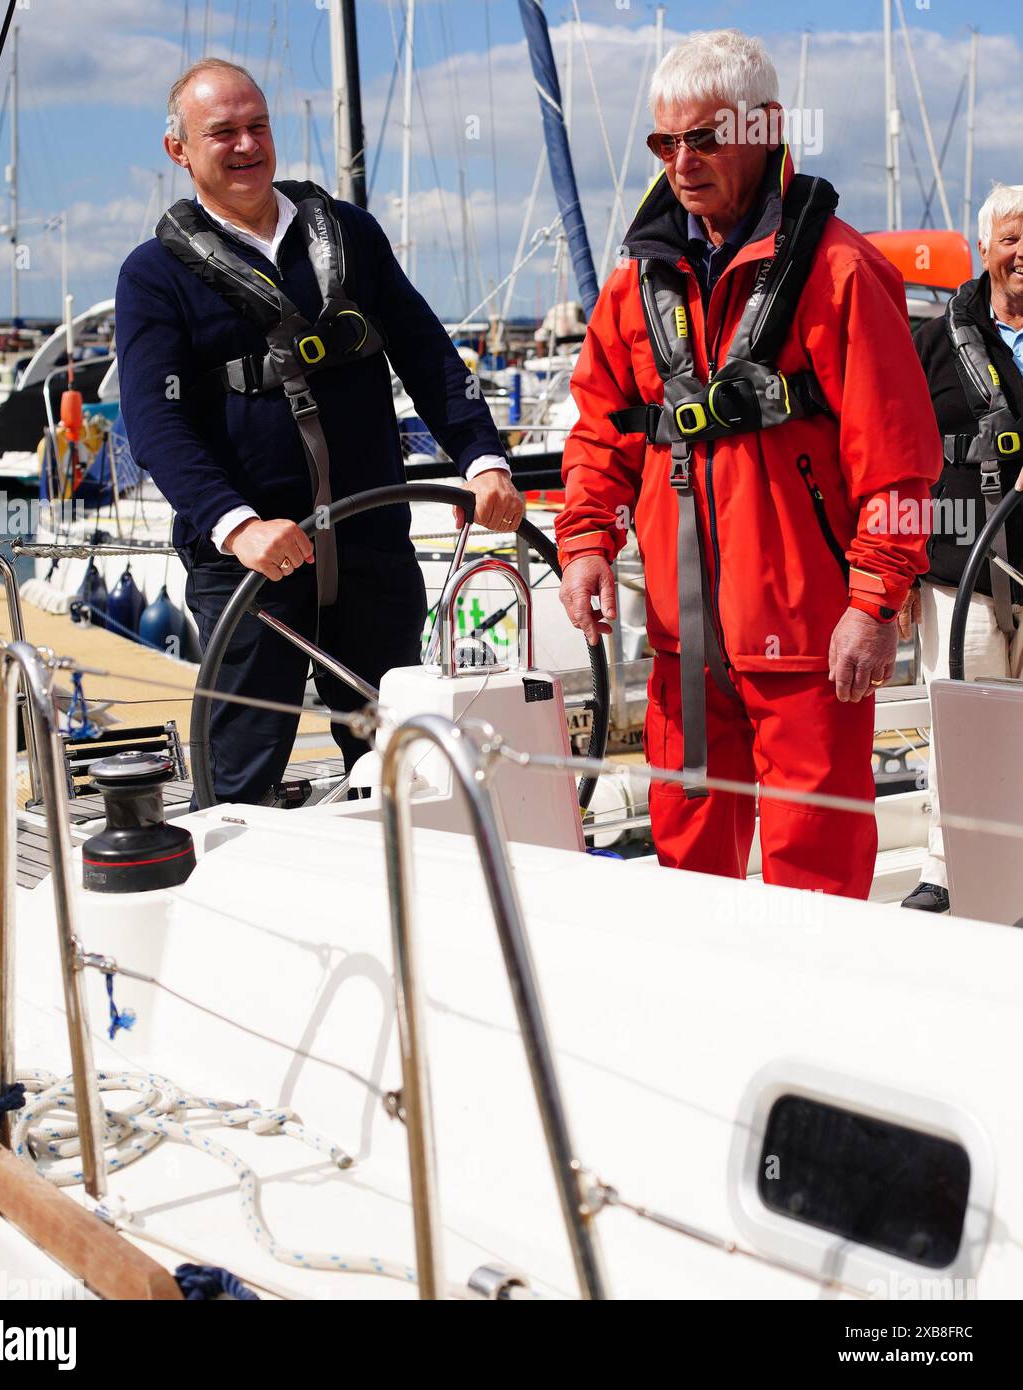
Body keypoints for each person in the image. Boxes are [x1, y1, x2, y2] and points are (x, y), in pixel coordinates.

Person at [555, 29, 940, 897]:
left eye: (704, 138)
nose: (683, 162)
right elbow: (601, 432)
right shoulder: (636, 286)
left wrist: (875, 603)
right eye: (666, 142)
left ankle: (818, 1033)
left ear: (765, 128)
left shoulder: (841, 271)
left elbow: (900, 463)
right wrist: (582, 544)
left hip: (809, 644)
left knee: (818, 880)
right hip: (680, 648)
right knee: (688, 872)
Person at [115, 58, 523, 804]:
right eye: (223, 132)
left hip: (371, 542)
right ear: (179, 151)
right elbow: (154, 420)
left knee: (396, 760)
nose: (247, 146)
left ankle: (405, 903)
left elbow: (426, 352)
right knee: (241, 771)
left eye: (257, 126)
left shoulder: (350, 237)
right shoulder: (155, 276)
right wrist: (236, 526)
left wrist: (483, 456)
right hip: (251, 564)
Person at [903, 183, 1023, 912]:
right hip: (959, 578)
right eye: (1012, 237)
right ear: (984, 248)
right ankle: (946, 874)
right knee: (963, 731)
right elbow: (894, 457)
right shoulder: (933, 342)